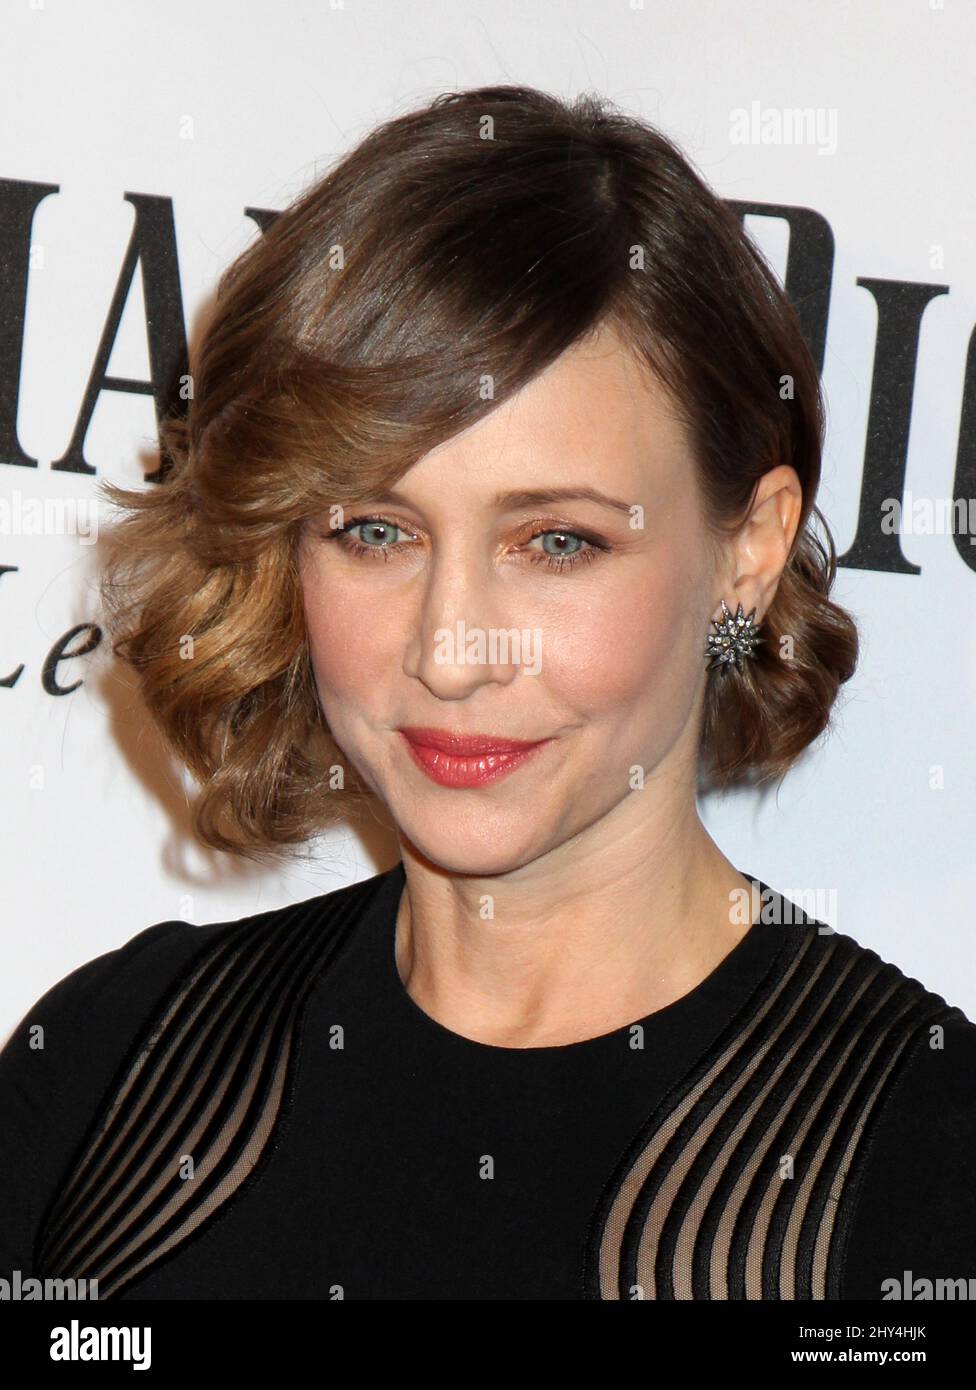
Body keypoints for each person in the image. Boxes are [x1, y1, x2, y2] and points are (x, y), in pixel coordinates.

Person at [1, 84, 973, 1303]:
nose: (449, 653)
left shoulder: (922, 1159)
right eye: (372, 531)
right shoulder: (120, 1057)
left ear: (748, 546)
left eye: (556, 541)